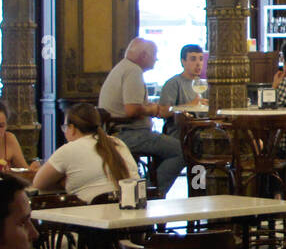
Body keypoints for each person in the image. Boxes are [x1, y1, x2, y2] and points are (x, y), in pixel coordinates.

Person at [98, 37, 184, 195]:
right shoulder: (133, 71)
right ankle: (150, 193)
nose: (156, 59)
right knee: (182, 150)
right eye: (154, 55)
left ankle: (149, 187)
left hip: (115, 132)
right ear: (144, 56)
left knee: (167, 147)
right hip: (129, 134)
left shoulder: (123, 67)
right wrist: (152, 110)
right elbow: (132, 110)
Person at [32, 103, 137, 202]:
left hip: (91, 215)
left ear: (72, 128)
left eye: (65, 127)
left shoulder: (69, 150)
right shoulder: (118, 143)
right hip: (131, 209)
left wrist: (65, 181)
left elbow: (38, 183)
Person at [158, 44, 206, 137]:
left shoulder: (202, 84)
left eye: (201, 59)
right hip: (180, 133)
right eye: (193, 59)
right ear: (183, 61)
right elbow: (163, 112)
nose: (198, 63)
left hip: (201, 129)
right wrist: (190, 105)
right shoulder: (174, 83)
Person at [0, 100, 31, 171]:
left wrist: (33, 169)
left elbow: (24, 171)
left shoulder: (9, 139)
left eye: (1, 126)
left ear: (6, 126)